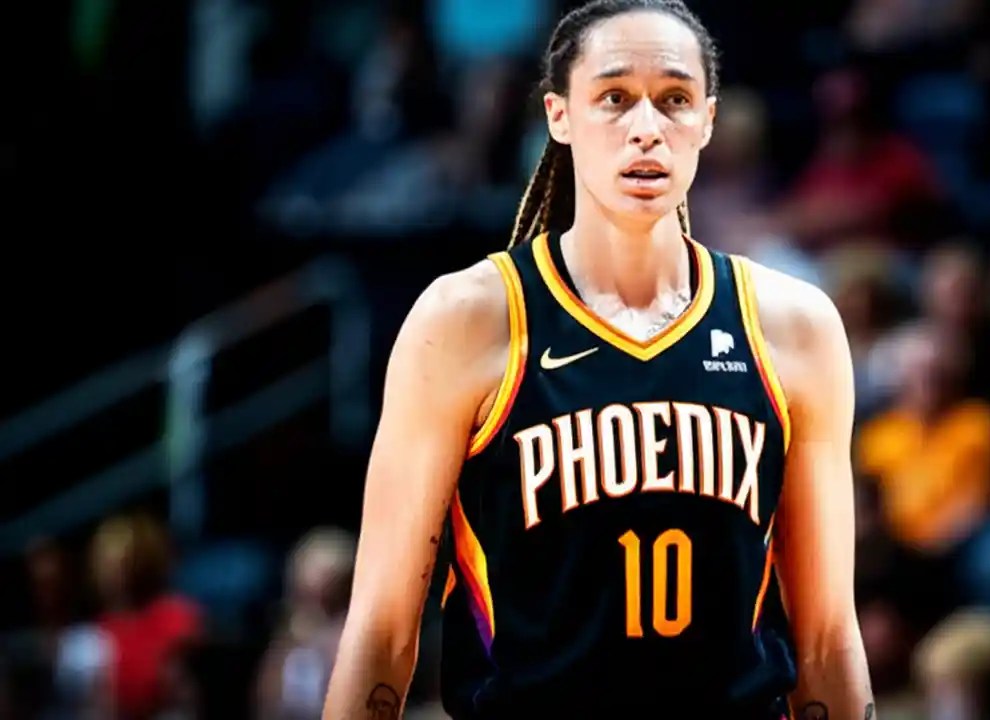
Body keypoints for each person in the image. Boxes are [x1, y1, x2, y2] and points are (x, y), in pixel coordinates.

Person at [323, 1, 873, 718]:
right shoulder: (467, 320)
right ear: (559, 116)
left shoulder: (795, 328)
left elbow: (827, 639)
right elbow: (384, 631)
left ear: (708, 121)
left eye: (675, 100)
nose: (646, 127)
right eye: (614, 98)